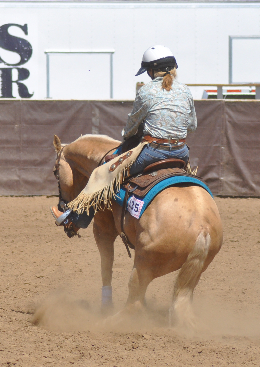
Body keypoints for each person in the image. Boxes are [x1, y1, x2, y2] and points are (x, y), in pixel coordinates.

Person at [52, 45, 198, 231]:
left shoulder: (146, 91)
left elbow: (130, 128)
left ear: (151, 71)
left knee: (101, 173)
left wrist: (132, 134)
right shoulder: (185, 90)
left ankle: (74, 217)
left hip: (152, 152)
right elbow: (192, 125)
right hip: (181, 153)